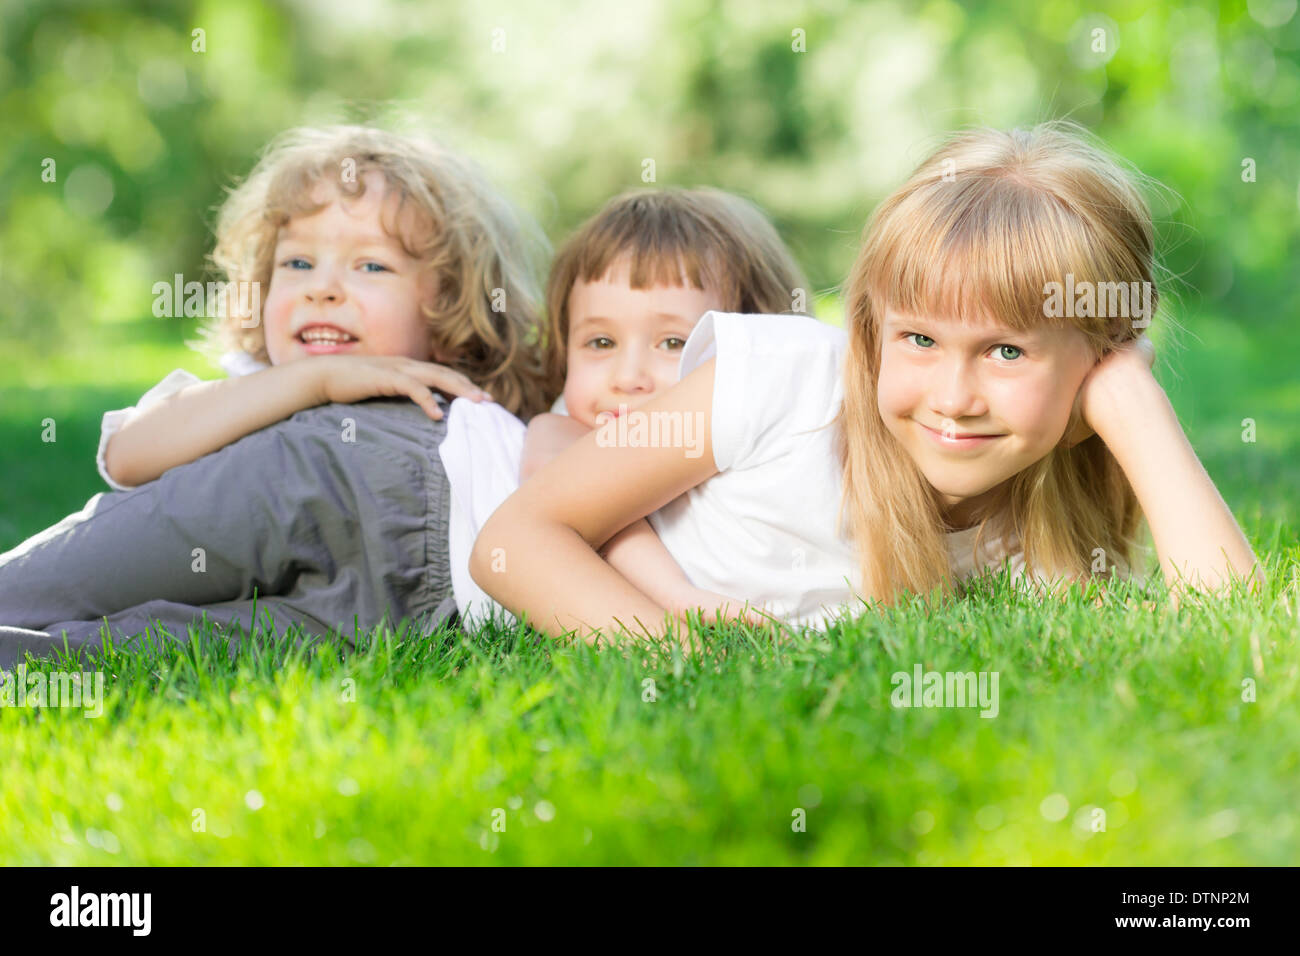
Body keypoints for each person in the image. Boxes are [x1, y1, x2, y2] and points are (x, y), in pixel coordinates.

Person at [470, 123, 1261, 643]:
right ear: (873, 327)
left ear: (1098, 354)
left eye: (1005, 352)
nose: (953, 397)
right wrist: (673, 649)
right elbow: (515, 538)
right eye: (920, 339)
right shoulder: (781, 382)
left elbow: (1230, 632)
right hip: (439, 488)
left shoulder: (1036, 533)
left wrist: (1133, 407)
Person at [0, 124, 558, 667]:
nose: (323, 288)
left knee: (68, 593)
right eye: (297, 263)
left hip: (404, 510)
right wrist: (312, 381)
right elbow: (128, 454)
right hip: (437, 605)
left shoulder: (448, 409)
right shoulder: (256, 387)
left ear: (452, 309)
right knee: (147, 649)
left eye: (371, 265)